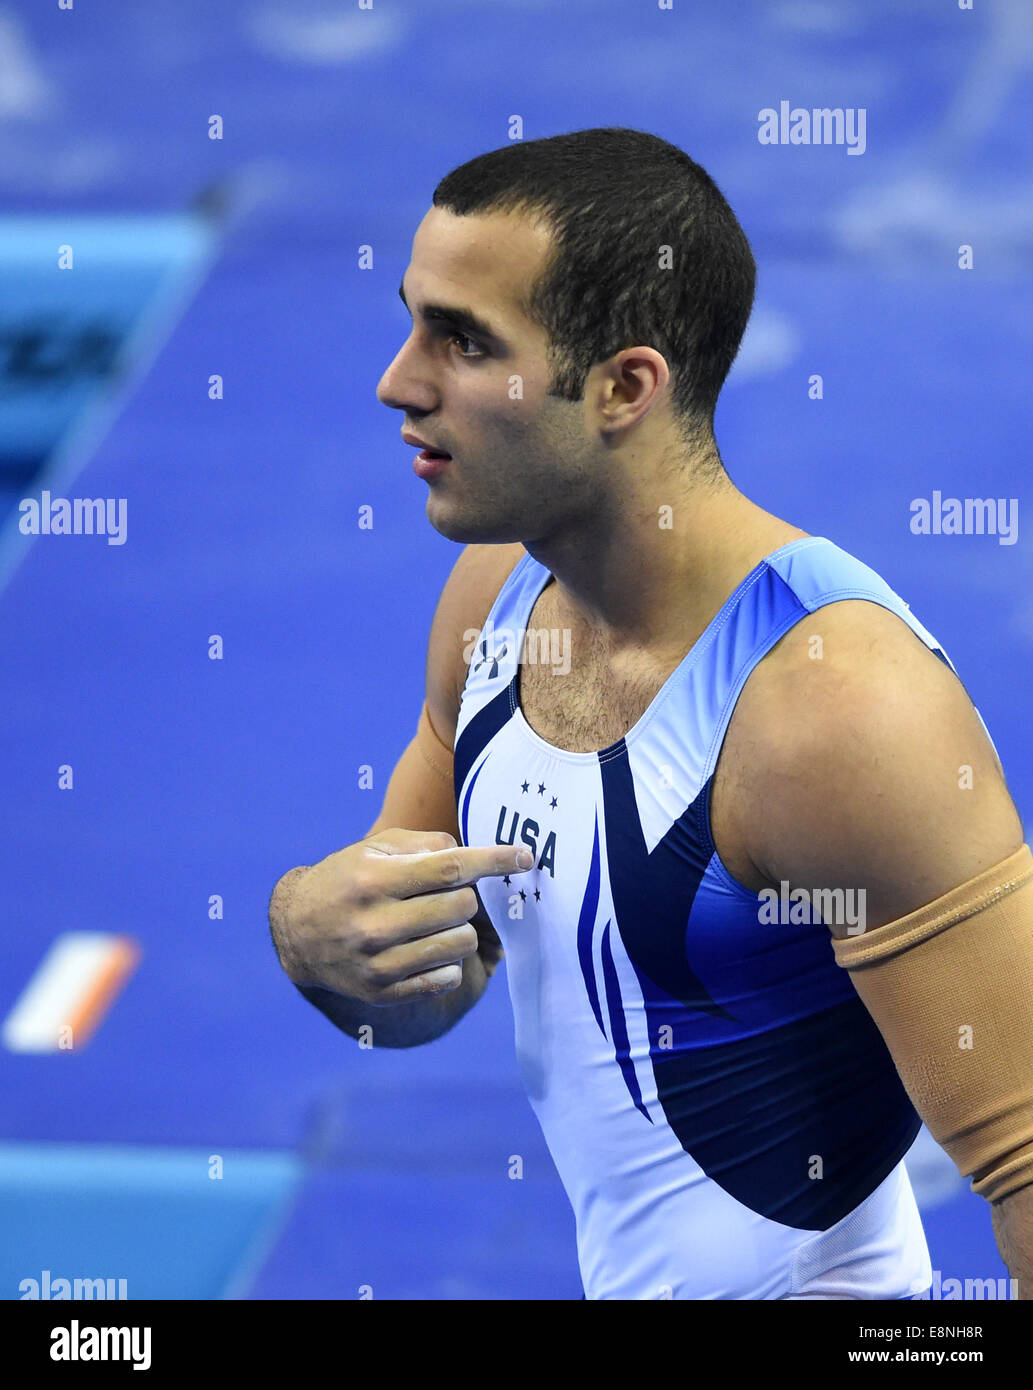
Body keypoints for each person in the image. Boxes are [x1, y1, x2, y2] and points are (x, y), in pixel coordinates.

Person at [268, 128, 1033, 1299]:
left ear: (624, 386)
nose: (399, 381)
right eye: (414, 321)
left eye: (463, 342)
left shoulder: (837, 715)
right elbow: (424, 989)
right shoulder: (494, 601)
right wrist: (311, 936)